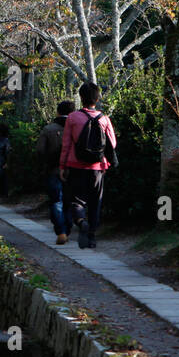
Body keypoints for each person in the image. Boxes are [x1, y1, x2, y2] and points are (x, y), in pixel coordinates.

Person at [59, 81, 117, 249]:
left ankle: (81, 221)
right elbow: (112, 143)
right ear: (97, 99)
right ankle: (91, 237)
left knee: (76, 200)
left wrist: (62, 166)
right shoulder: (104, 119)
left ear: (81, 97)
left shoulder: (72, 118)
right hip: (98, 167)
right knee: (95, 202)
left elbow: (66, 144)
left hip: (75, 165)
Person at [36, 100, 75, 244]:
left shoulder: (48, 129)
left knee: (55, 200)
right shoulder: (76, 128)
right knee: (69, 200)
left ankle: (61, 230)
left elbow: (40, 150)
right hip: (72, 169)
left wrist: (44, 163)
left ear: (58, 112)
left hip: (53, 169)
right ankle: (68, 229)